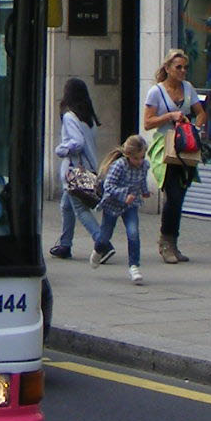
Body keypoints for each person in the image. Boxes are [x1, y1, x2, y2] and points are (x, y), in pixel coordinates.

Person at [142, 49, 207, 265]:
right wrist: (170, 116)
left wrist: (196, 128)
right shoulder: (156, 92)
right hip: (165, 147)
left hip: (185, 146)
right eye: (178, 67)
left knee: (180, 195)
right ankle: (165, 242)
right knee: (173, 195)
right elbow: (147, 123)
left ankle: (173, 242)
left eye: (185, 67)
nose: (182, 71)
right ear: (168, 68)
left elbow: (201, 112)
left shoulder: (188, 89)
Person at [89, 135, 152, 284]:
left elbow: (141, 180)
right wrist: (124, 195)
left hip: (131, 205)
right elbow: (108, 186)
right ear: (128, 155)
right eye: (136, 158)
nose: (140, 161)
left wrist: (144, 191)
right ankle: (98, 250)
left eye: (142, 157)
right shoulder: (119, 166)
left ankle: (134, 266)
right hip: (112, 205)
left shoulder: (144, 166)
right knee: (105, 236)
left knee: (133, 233)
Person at [49, 77, 100, 259]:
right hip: (88, 168)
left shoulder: (70, 116)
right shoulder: (89, 118)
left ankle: (102, 242)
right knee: (66, 206)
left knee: (80, 209)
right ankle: (65, 244)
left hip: (74, 172)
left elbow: (77, 143)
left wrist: (60, 149)